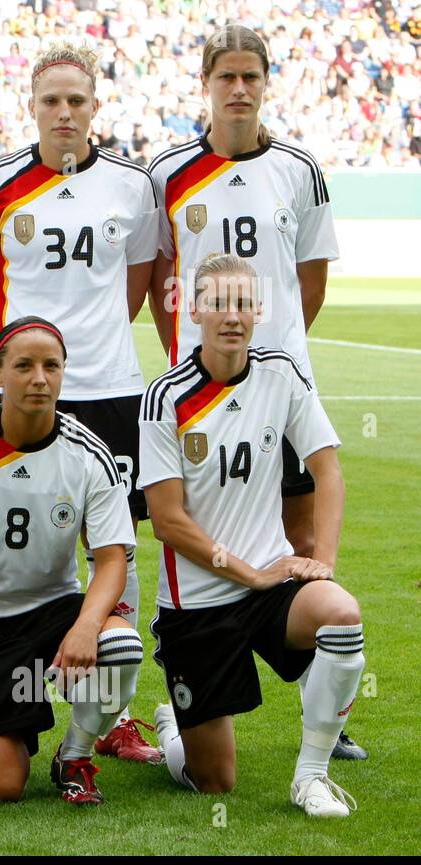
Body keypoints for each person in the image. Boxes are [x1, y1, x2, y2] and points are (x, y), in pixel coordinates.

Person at [147, 24, 363, 760]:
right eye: (226, 76)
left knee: (302, 548)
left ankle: (325, 712)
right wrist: (192, 348)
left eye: (252, 76)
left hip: (278, 386)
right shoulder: (170, 171)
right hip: (201, 392)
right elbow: (158, 276)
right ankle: (189, 674)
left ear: (267, 82)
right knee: (201, 539)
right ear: (206, 83)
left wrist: (278, 354)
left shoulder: (300, 168)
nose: (239, 88)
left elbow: (312, 280)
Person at [0, 43, 163, 764]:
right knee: (10, 531)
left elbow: (139, 278)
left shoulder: (133, 186)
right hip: (19, 393)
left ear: (94, 107)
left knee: (118, 542)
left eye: (77, 99)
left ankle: (113, 712)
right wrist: (21, 355)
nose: (65, 112)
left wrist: (88, 348)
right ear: (33, 105)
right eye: (52, 100)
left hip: (109, 387)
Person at [140, 254, 364, 817]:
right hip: (199, 604)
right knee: (214, 780)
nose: (232, 316)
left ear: (259, 310)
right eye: (218, 303)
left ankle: (311, 777)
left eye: (243, 303)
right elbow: (167, 521)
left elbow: (327, 469)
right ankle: (175, 730)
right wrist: (249, 571)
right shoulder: (165, 397)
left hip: (269, 588)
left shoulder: (281, 372)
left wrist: (323, 561)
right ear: (194, 310)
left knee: (340, 612)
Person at [0, 317, 143, 804]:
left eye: (51, 366)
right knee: (0, 787)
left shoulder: (89, 454)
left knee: (120, 645)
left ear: (65, 372)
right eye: (24, 366)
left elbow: (110, 560)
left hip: (53, 616)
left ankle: (75, 755)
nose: (39, 378)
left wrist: (87, 624)